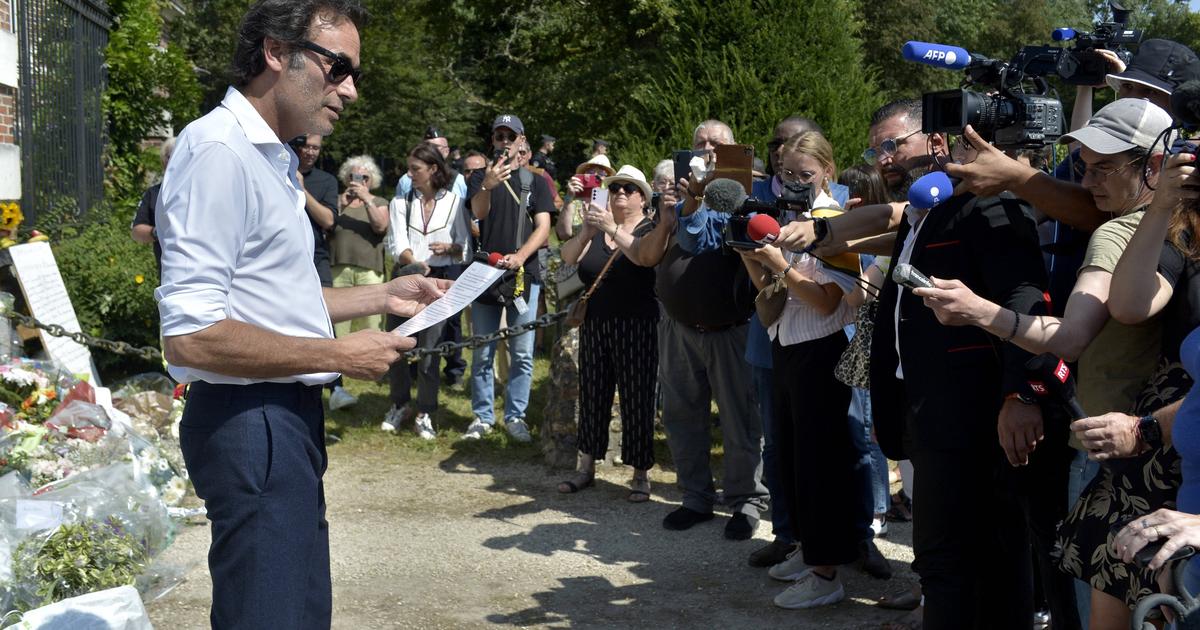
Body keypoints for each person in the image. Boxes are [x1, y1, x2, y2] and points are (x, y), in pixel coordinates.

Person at [154, 2, 447, 626]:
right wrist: (341, 354)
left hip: (278, 417)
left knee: (298, 611)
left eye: (355, 74)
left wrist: (380, 297)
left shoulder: (273, 158)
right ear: (275, 52)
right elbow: (192, 336)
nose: (350, 89)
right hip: (249, 419)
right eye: (338, 66)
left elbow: (270, 301)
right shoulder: (218, 153)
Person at [915, 98, 1173, 630]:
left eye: (1104, 167)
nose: (1088, 180)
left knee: (1094, 609)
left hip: (1111, 448)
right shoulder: (1177, 228)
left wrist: (979, 311)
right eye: (1083, 164)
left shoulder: (1119, 234)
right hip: (1163, 444)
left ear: (1154, 165)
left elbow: (1072, 337)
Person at [864, 96, 1049, 628]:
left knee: (986, 559)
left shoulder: (989, 203)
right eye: (876, 149)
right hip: (929, 413)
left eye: (892, 145)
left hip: (979, 417)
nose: (884, 159)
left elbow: (1026, 298)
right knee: (942, 560)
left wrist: (1021, 394)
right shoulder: (925, 207)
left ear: (937, 142)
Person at [738, 130, 883, 609]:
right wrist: (748, 256)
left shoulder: (833, 223)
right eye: (787, 174)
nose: (795, 182)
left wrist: (779, 262)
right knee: (796, 456)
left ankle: (826, 574)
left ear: (828, 171)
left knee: (821, 462)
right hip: (786, 346)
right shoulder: (785, 218)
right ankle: (807, 549)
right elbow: (769, 301)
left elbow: (825, 305)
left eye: (806, 174)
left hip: (820, 352)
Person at [643, 118, 769, 540]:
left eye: (717, 143)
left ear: (733, 148)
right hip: (679, 327)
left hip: (730, 326)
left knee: (740, 419)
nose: (708, 148)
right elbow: (671, 243)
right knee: (681, 415)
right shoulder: (679, 193)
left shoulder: (752, 190)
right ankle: (695, 497)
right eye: (700, 142)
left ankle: (746, 500)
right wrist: (683, 202)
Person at [556, 165, 659, 501]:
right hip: (596, 323)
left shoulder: (650, 228)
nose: (619, 194)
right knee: (593, 394)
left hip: (637, 324)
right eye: (614, 188)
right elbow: (569, 258)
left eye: (628, 189)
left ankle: (640, 472)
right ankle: (586, 467)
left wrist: (613, 227)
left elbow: (643, 258)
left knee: (637, 397)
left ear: (643, 198)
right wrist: (587, 230)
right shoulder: (598, 227)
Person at [462, 114, 554, 442]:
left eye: (510, 136)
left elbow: (544, 226)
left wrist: (521, 256)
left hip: (523, 274)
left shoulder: (536, 182)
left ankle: (516, 416)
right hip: (486, 272)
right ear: (493, 141)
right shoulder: (480, 179)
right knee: (483, 349)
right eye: (499, 136)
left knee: (522, 351)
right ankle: (483, 416)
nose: (504, 141)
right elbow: (480, 213)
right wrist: (487, 184)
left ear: (521, 141)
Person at [382, 143, 472, 439]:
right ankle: (399, 404)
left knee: (431, 350)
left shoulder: (455, 203)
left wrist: (450, 248)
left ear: (433, 169)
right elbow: (396, 244)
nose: (410, 175)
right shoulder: (400, 203)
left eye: (415, 169)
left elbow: (465, 248)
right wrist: (414, 262)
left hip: (439, 282)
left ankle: (425, 411)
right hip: (407, 278)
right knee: (396, 345)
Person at [292, 132, 358, 410]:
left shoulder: (325, 181)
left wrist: (301, 190)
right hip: (283, 259)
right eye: (305, 146)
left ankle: (335, 387)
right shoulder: (274, 170)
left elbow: (329, 220)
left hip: (315, 258)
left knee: (323, 321)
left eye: (316, 148)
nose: (310, 151)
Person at [330, 154, 389, 336]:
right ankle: (338, 363)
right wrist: (341, 204)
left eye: (365, 177)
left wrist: (366, 200)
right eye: (354, 177)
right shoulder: (337, 200)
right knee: (338, 325)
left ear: (372, 180)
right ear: (347, 178)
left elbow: (380, 226)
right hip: (339, 268)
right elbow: (327, 225)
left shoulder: (379, 202)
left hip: (369, 269)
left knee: (371, 322)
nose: (359, 181)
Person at [131, 136, 176, 275]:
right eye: (172, 156)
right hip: (167, 274)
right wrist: (159, 231)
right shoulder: (154, 193)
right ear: (164, 161)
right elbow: (136, 231)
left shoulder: (200, 191)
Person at [557, 154, 616, 241]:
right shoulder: (573, 202)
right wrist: (569, 197)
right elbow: (563, 234)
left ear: (608, 179)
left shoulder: (613, 204)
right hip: (574, 252)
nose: (595, 176)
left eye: (602, 173)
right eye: (591, 172)